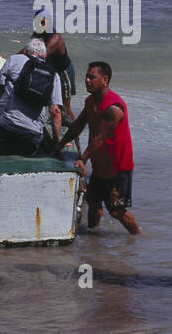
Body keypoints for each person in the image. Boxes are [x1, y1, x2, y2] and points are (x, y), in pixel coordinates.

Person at [57, 60, 139, 233]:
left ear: (105, 79)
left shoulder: (113, 107)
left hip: (117, 167)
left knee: (116, 211)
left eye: (92, 77)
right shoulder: (90, 101)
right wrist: (58, 146)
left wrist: (82, 159)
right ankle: (93, 238)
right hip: (101, 165)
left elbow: (100, 137)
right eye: (86, 77)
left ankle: (137, 238)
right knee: (93, 201)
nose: (87, 80)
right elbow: (77, 126)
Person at [0, 38, 62, 157]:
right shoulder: (54, 75)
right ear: (45, 55)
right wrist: (57, 142)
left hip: (5, 126)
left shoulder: (14, 59)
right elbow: (55, 112)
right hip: (33, 134)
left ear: (25, 52)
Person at [32, 9, 75, 121]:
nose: (41, 25)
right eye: (38, 22)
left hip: (63, 73)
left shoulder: (55, 38)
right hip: (50, 73)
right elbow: (28, 50)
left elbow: (41, 54)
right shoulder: (36, 35)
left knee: (64, 107)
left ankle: (74, 132)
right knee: (51, 105)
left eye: (43, 22)